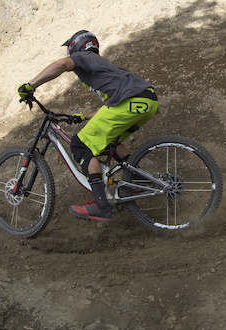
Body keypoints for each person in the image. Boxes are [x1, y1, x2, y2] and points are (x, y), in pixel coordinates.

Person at [17, 30, 159, 223]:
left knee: (80, 145)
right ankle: (142, 181)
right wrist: (82, 117)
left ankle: (101, 205)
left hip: (131, 101)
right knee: (110, 144)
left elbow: (61, 64)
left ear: (76, 46)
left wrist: (30, 85)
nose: (69, 55)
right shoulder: (103, 67)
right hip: (146, 102)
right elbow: (110, 107)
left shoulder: (83, 57)